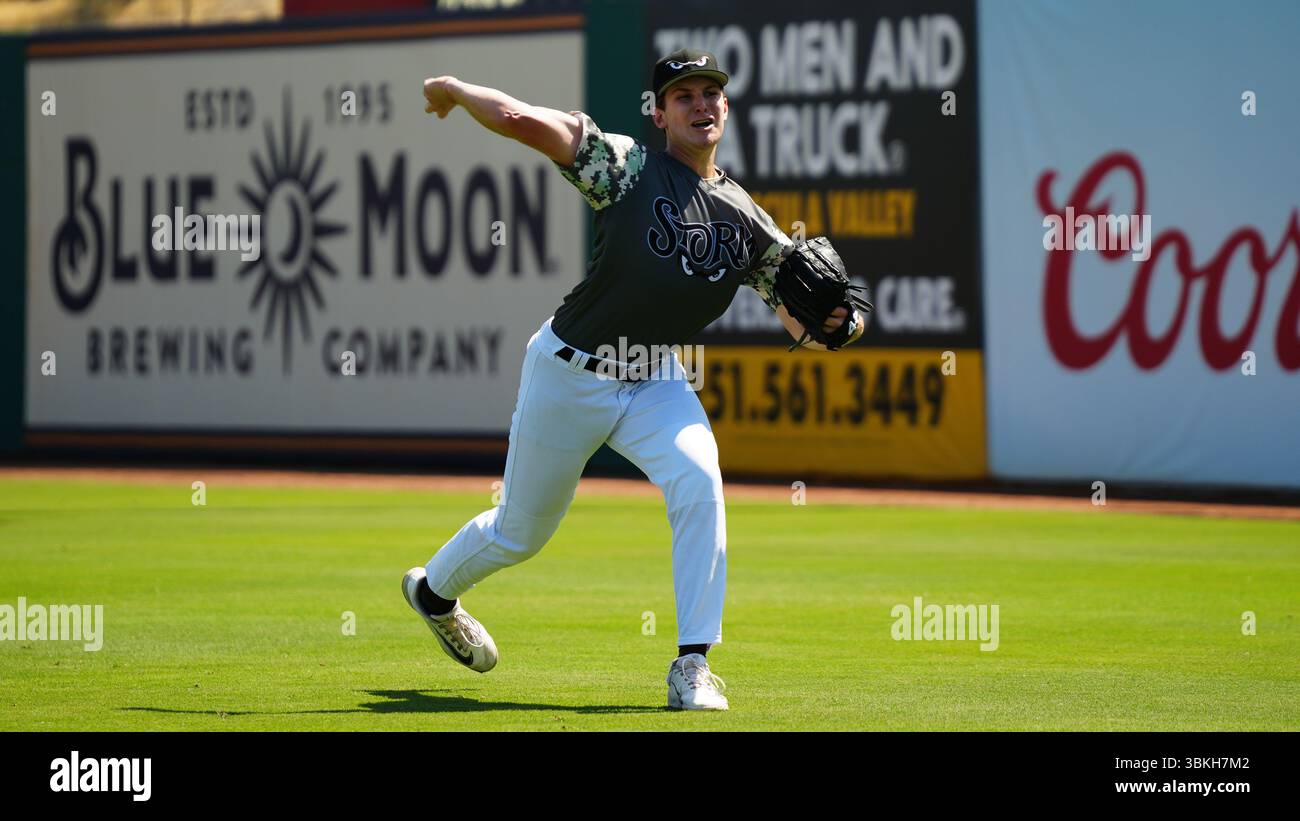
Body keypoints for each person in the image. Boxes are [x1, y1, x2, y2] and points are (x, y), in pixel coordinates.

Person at [403, 49, 864, 711]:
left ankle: (693, 665)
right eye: (683, 96)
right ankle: (431, 593)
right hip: (570, 371)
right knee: (520, 532)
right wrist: (455, 91)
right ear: (658, 113)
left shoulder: (747, 220)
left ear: (726, 108)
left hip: (653, 380)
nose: (700, 104)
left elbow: (797, 315)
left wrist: (838, 325)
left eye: (711, 93)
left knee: (699, 479)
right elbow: (519, 119)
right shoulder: (625, 167)